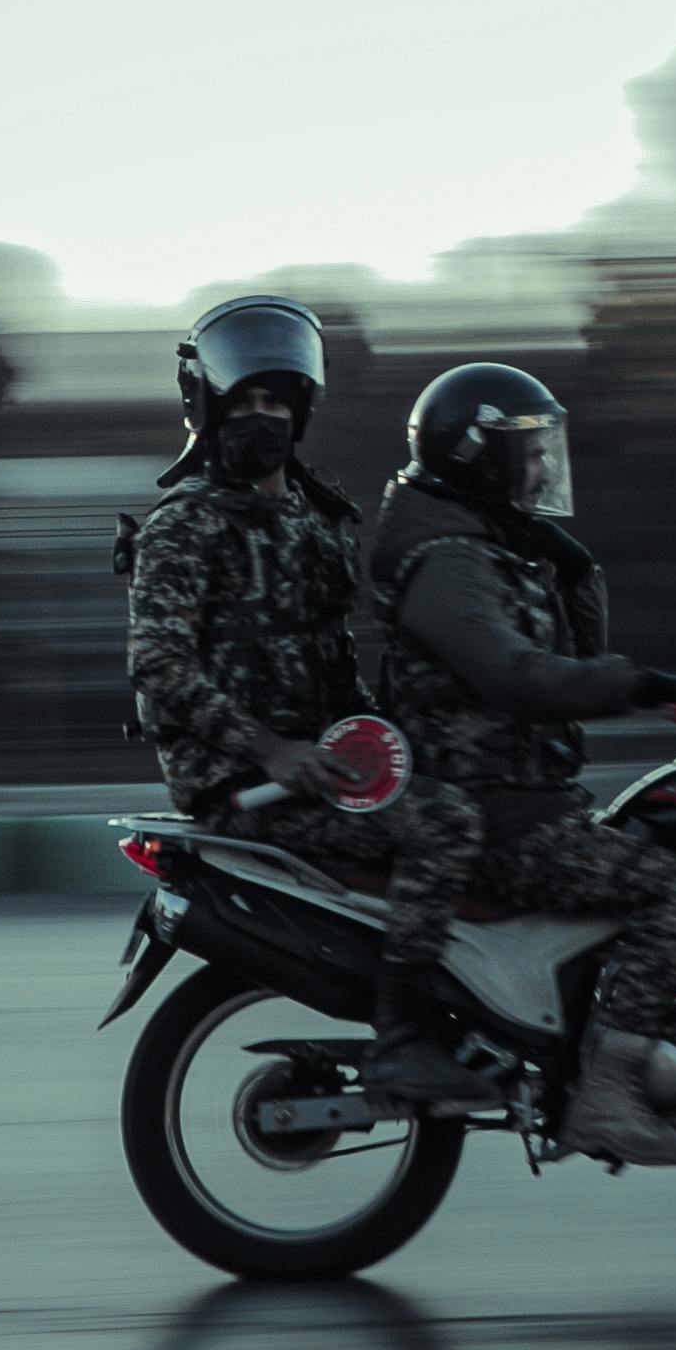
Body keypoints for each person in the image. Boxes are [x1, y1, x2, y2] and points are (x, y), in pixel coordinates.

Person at [123, 296, 494, 1112]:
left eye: (277, 402)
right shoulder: (184, 526)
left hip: (318, 765)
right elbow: (159, 665)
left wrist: (388, 740)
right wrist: (270, 751)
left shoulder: (315, 522)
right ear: (210, 410)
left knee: (478, 798)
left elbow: (334, 665)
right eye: (246, 401)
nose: (264, 418)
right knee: (445, 826)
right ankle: (403, 1043)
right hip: (246, 784)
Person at [367, 361, 676, 1167]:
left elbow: (573, 653)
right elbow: (520, 678)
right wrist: (650, 687)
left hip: (533, 796)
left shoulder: (494, 551)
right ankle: (604, 1099)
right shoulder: (447, 563)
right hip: (494, 811)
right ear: (477, 456)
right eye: (525, 451)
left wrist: (569, 565)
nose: (540, 468)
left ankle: (617, 1035)